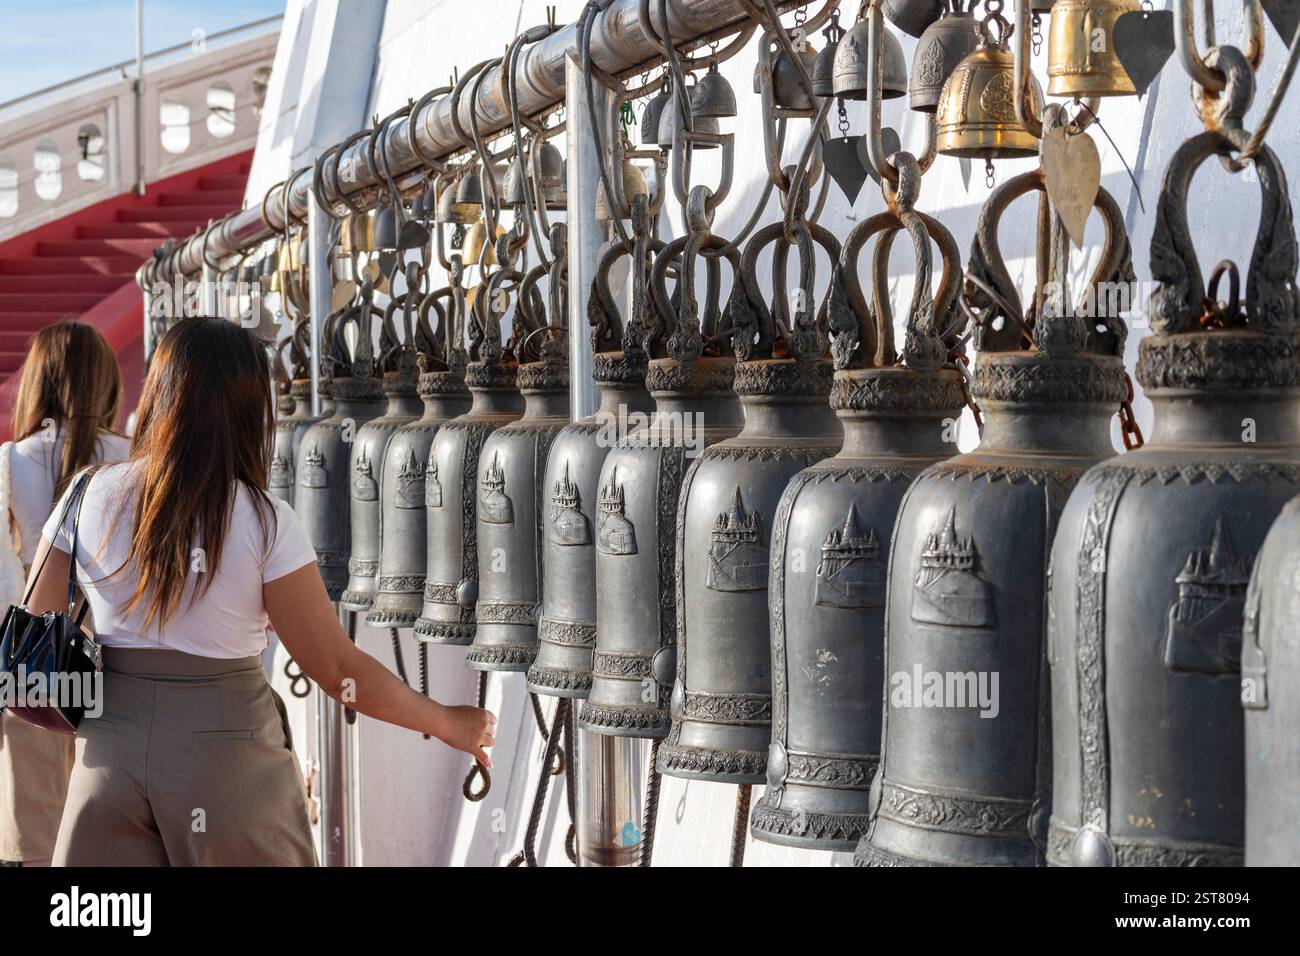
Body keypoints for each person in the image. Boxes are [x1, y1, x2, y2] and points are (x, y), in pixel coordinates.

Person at [23, 318, 495, 866]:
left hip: (108, 758)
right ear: (249, 408)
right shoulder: (264, 519)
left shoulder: (84, 494)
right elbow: (336, 670)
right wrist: (444, 722)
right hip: (226, 762)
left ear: (158, 393)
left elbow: (38, 626)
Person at [1, 321, 129, 867]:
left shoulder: (10, 459)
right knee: (108, 827)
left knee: (35, 828)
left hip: (31, 655)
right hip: (116, 653)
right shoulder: (135, 456)